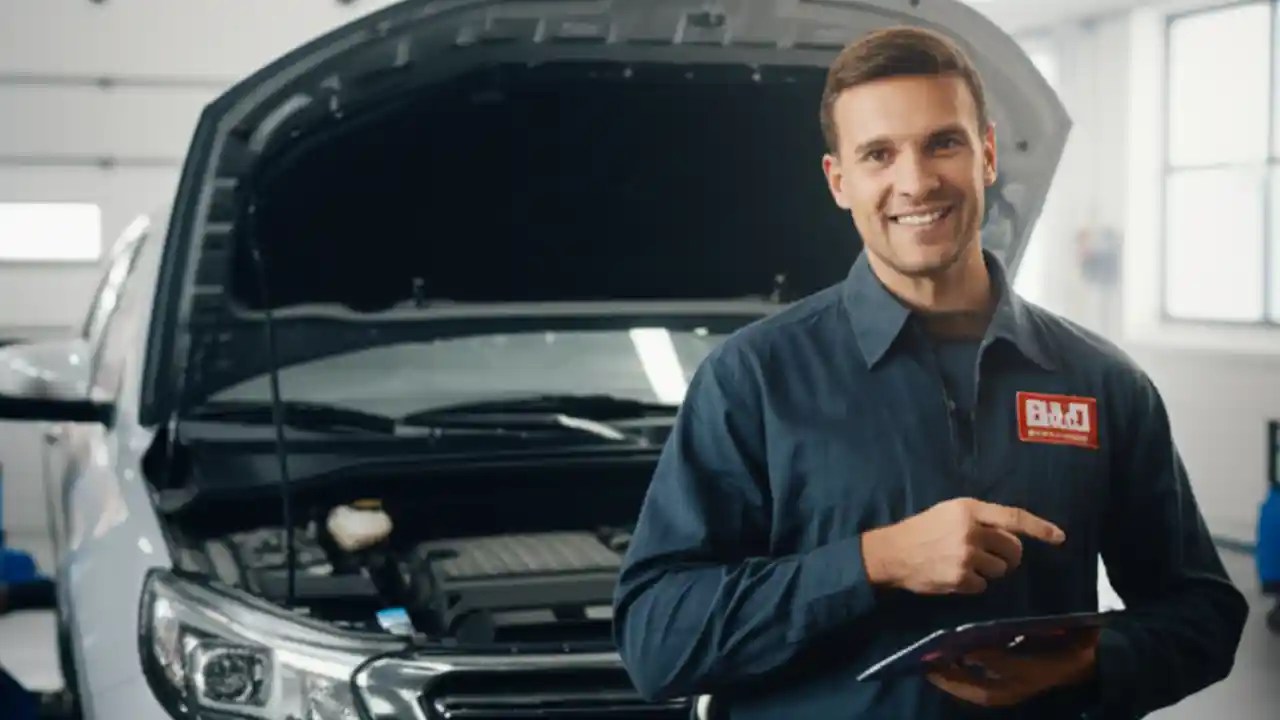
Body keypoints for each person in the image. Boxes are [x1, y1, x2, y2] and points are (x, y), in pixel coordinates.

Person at [612, 25, 1248, 719]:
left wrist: (1089, 659)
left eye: (943, 143)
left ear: (988, 154)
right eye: (878, 154)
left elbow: (1203, 614)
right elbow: (657, 640)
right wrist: (875, 562)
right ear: (839, 181)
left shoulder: (1101, 383)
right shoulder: (752, 381)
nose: (915, 182)